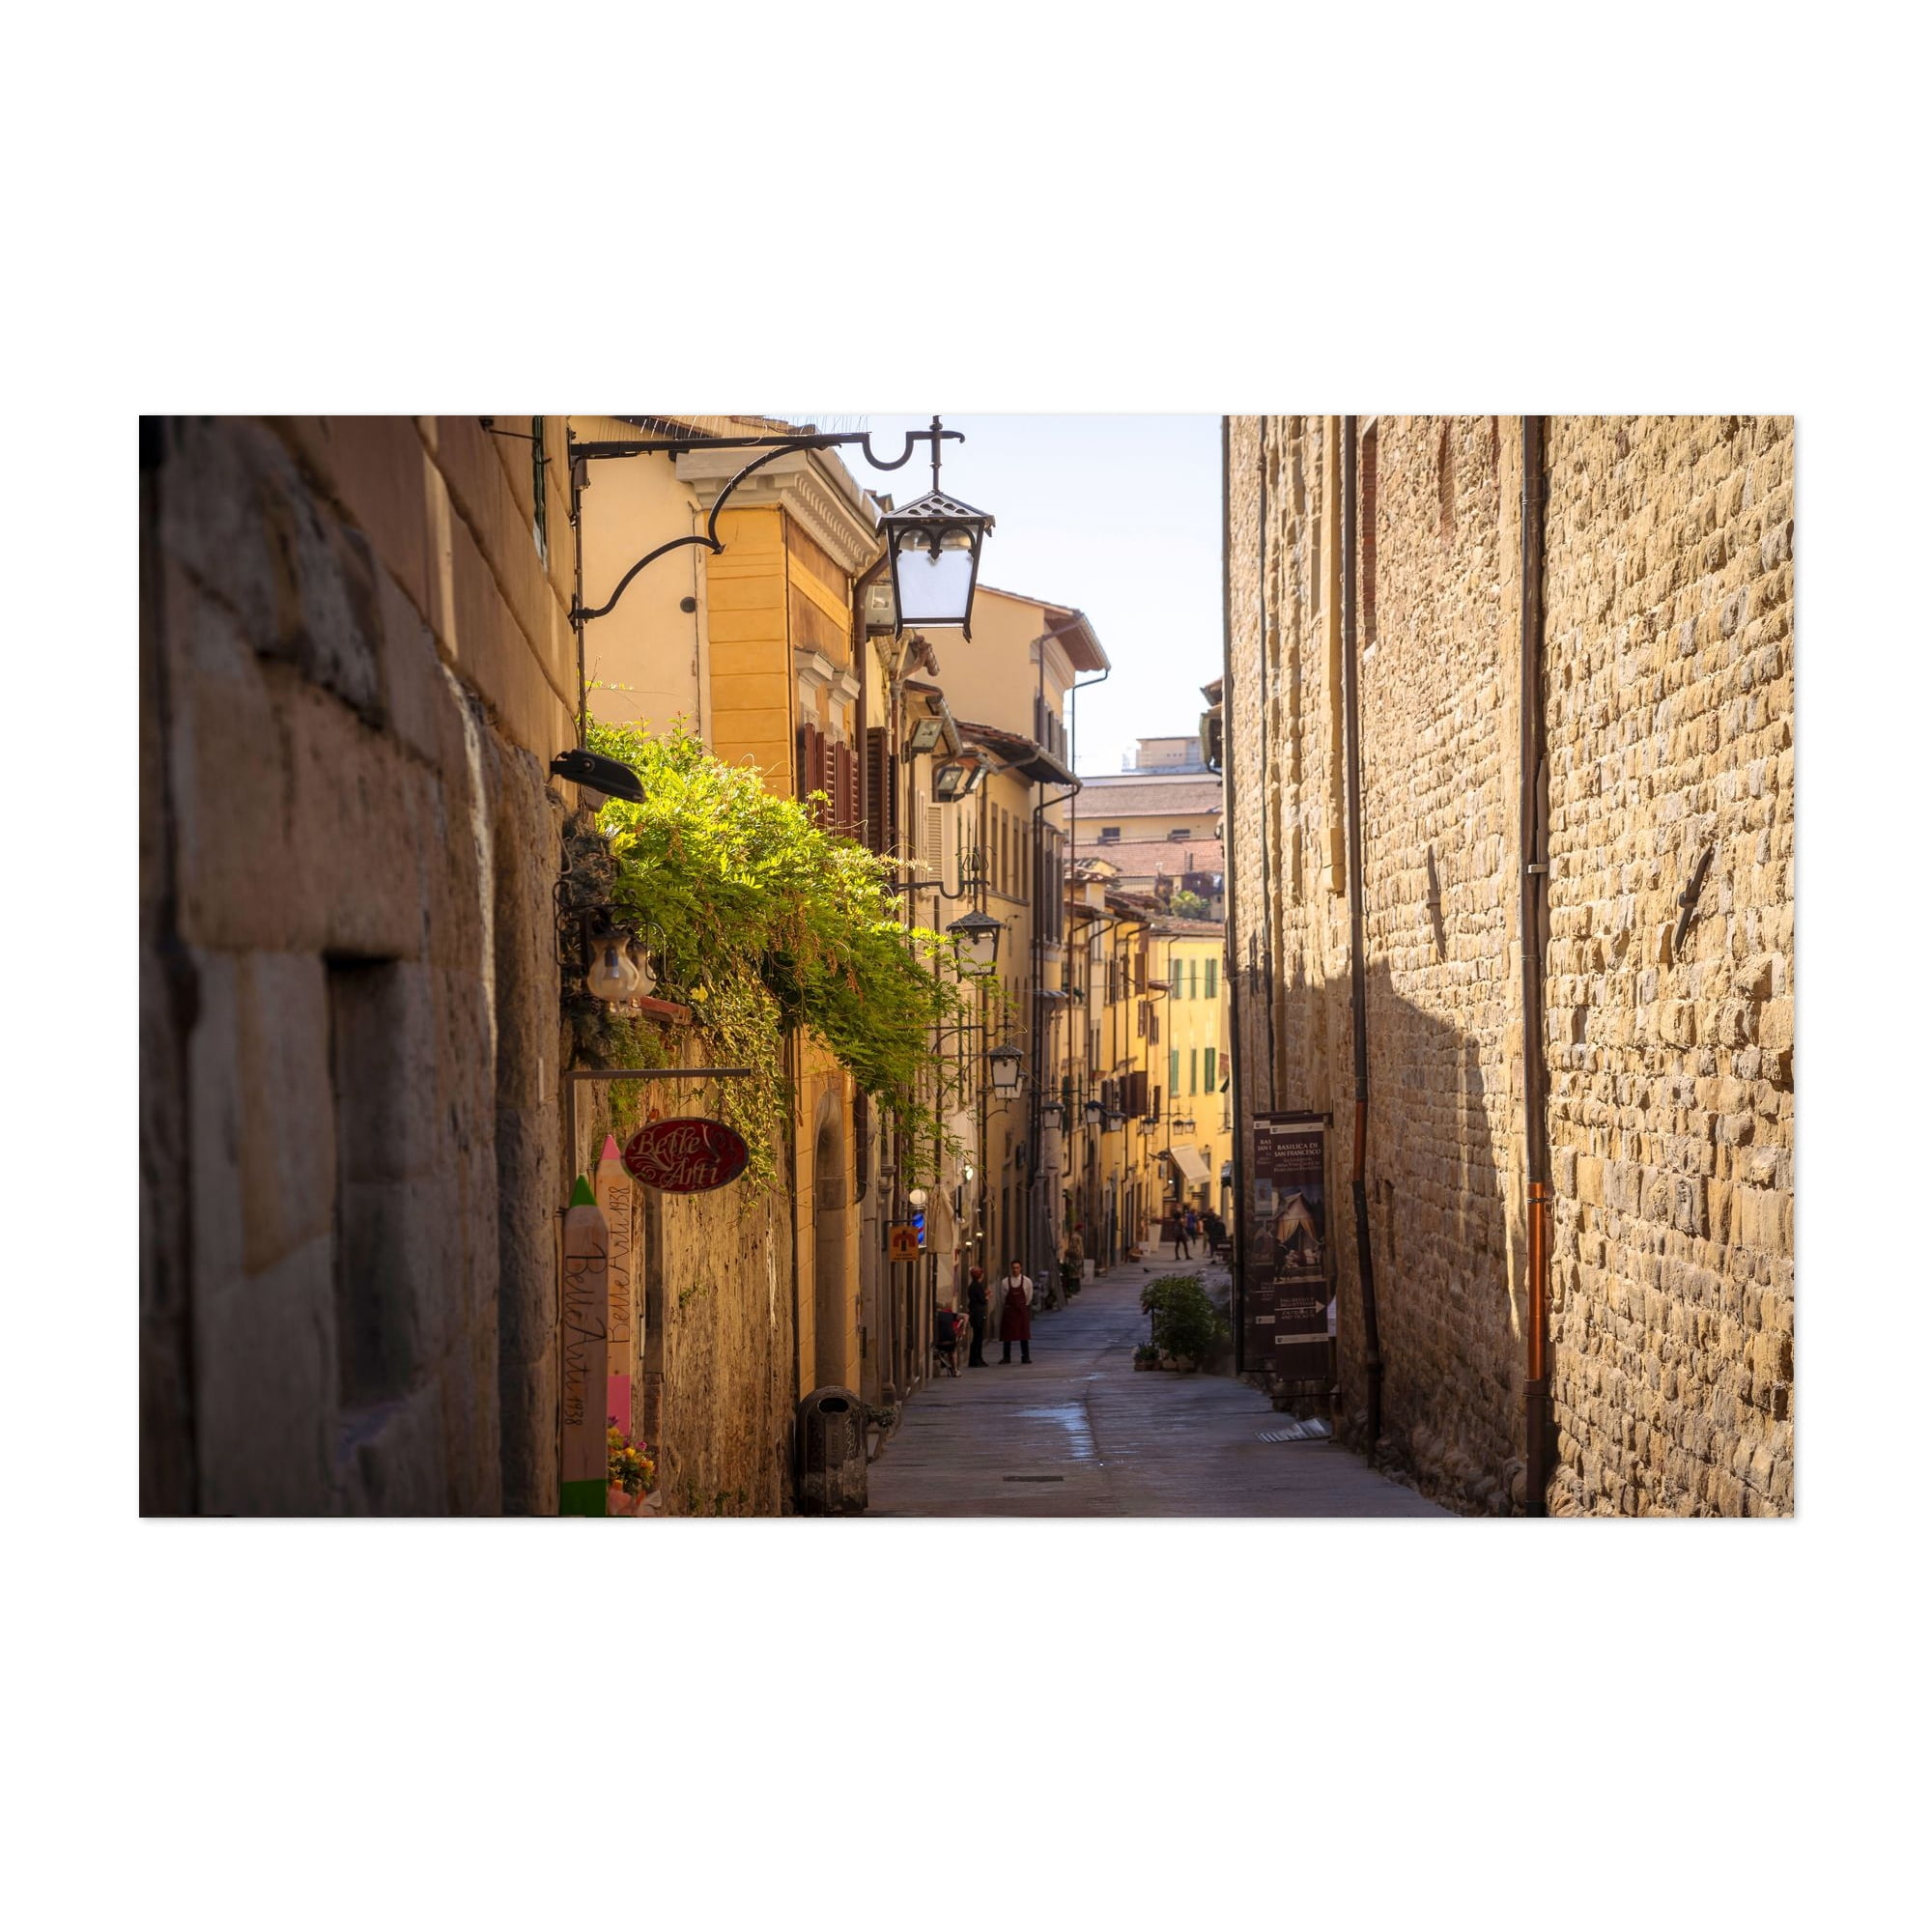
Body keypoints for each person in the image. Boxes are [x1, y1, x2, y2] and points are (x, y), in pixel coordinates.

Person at [998, 1260, 1034, 1365]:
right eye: (1013, 1268)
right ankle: (1006, 1357)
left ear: (1021, 1268)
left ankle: (1025, 1356)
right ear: (1011, 1268)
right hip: (1010, 1311)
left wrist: (1022, 1305)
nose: (1015, 1270)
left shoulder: (1027, 1281)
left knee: (1024, 1335)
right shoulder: (1005, 1282)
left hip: (1021, 1311)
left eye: (1017, 1268)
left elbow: (1029, 1297)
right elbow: (1002, 1297)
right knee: (1007, 1336)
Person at [965, 1264, 990, 1368]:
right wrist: (987, 1296)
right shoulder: (978, 1285)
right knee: (978, 1338)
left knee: (977, 1337)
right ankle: (976, 1360)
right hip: (978, 1314)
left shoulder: (972, 1286)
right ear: (980, 1275)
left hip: (974, 1313)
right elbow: (982, 1300)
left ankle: (975, 1359)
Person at [933, 1301, 963, 1378]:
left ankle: (948, 1366)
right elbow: (966, 1316)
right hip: (950, 1342)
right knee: (952, 1351)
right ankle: (955, 1370)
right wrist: (964, 1329)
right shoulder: (949, 1314)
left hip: (937, 1343)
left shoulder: (933, 1316)